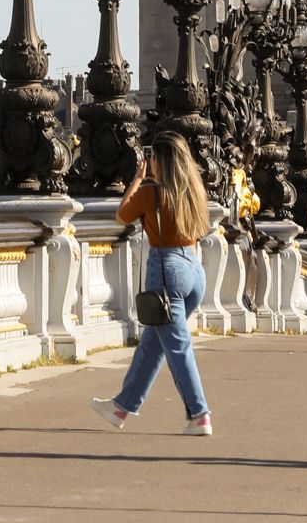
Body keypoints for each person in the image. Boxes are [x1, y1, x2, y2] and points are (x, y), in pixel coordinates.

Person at [91, 132, 215, 433]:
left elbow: (123, 214)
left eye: (153, 158)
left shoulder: (152, 192)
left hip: (166, 270)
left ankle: (199, 414)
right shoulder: (193, 190)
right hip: (193, 269)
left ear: (159, 160)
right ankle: (122, 406)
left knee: (177, 347)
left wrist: (137, 179)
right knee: (153, 343)